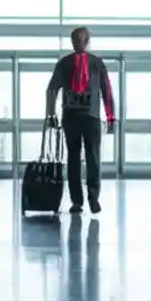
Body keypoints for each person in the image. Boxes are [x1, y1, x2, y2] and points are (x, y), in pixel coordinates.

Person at [45, 27, 115, 214]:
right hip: (83, 118)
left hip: (79, 118)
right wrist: (110, 116)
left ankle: (83, 201)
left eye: (79, 39)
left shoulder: (70, 63)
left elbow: (52, 90)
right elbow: (106, 91)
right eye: (77, 40)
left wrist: (51, 114)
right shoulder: (93, 64)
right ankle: (87, 200)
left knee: (80, 159)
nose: (78, 43)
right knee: (85, 159)